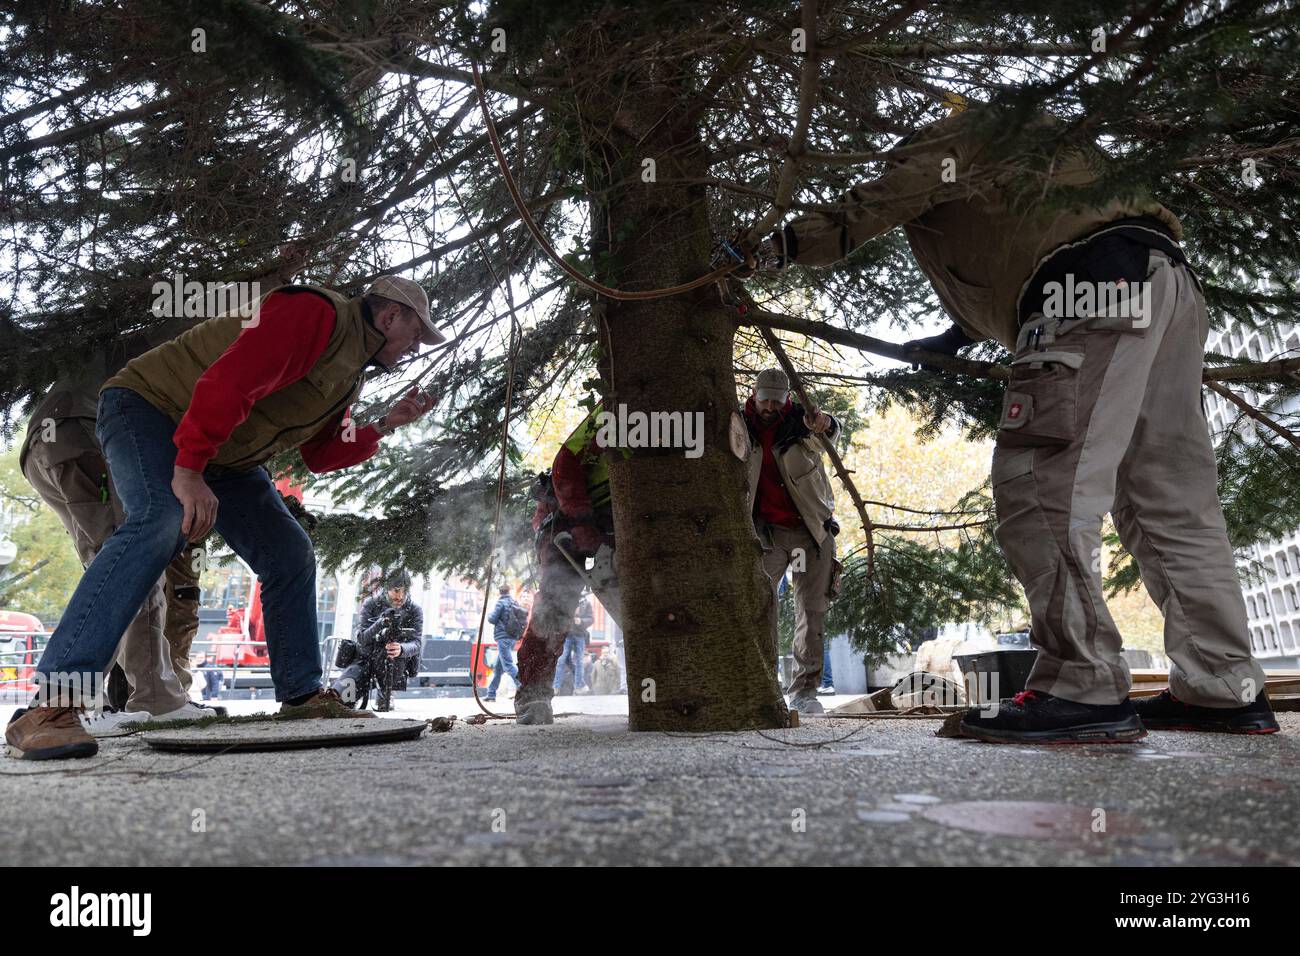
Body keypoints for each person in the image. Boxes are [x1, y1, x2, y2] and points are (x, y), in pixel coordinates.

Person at [738, 103, 1277, 741]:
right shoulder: (1027, 148)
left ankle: (1083, 689)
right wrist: (954, 336)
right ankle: (1222, 689)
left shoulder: (949, 137)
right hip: (1161, 284)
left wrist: (774, 247)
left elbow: (877, 203)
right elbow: (1019, 234)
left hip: (1084, 289)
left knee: (1042, 485)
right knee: (1168, 501)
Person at [6, 275, 442, 761]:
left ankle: (301, 697)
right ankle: (49, 705)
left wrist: (384, 425)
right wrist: (189, 471)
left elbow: (320, 454)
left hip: (223, 452)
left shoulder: (349, 372)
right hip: (149, 410)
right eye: (416, 335)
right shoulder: (316, 314)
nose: (414, 348)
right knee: (158, 522)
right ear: (390, 316)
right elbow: (226, 382)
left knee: (288, 551)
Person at [18, 317, 218, 735]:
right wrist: (276, 278)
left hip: (48, 444)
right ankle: (145, 699)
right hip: (81, 432)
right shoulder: (179, 339)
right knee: (136, 560)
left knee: (110, 561)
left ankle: (83, 700)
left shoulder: (123, 343)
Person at [743, 369, 840, 716]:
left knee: (811, 611)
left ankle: (805, 690)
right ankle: (763, 686)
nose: (769, 406)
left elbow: (828, 435)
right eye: (764, 398)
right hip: (765, 535)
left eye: (776, 400)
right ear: (754, 395)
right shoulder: (740, 425)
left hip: (810, 532)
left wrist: (826, 424)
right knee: (761, 609)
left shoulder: (802, 421)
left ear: (786, 399)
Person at [514, 403, 618, 725]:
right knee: (555, 603)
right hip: (564, 519)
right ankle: (533, 692)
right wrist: (581, 518)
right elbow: (565, 463)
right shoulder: (610, 415)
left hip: (613, 525)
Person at [331, 571, 423, 711]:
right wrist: (380, 623)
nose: (400, 596)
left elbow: (416, 643)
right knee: (339, 700)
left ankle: (387, 692)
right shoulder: (371, 604)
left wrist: (401, 649)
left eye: (404, 591)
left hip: (393, 663)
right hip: (365, 658)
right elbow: (362, 639)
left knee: (383, 706)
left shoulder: (414, 610)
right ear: (387, 588)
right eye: (396, 591)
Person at [483, 584, 524, 702]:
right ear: (509, 591)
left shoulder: (500, 603)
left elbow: (492, 619)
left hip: (503, 637)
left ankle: (523, 685)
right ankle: (491, 693)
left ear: (500, 592)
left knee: (508, 665)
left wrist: (488, 615)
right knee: (498, 667)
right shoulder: (514, 603)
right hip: (512, 637)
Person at [553, 595, 593, 696]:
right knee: (562, 660)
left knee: (578, 661)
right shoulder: (565, 599)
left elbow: (591, 619)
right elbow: (558, 617)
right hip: (566, 635)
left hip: (579, 635)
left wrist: (581, 621)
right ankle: (556, 687)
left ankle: (578, 686)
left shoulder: (586, 603)